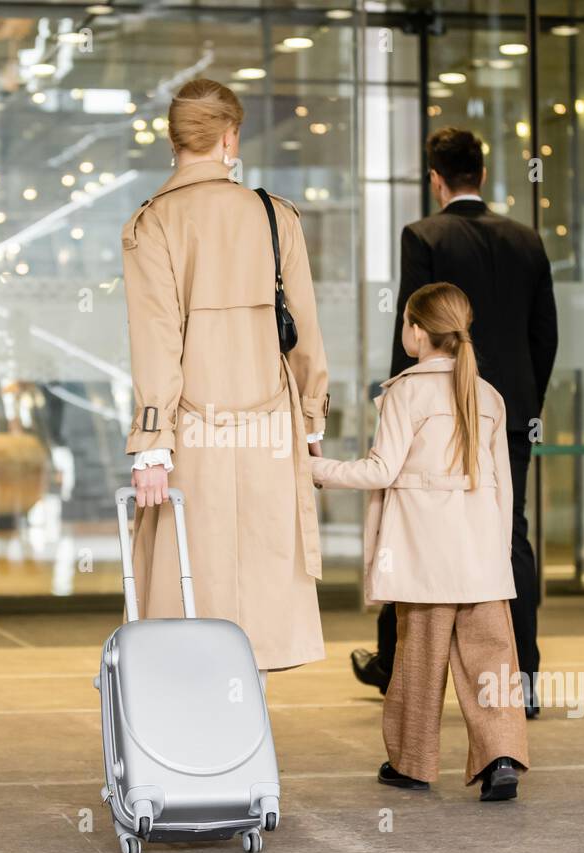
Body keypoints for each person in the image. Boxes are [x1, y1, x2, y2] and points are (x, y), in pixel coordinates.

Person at [122, 78, 330, 685]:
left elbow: (157, 339)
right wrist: (312, 418)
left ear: (173, 140)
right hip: (270, 428)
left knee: (191, 584)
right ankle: (243, 738)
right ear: (230, 138)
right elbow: (306, 332)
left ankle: (195, 745)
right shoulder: (275, 216)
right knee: (258, 593)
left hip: (191, 435)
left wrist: (151, 444)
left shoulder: (151, 223)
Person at [353, 127, 558, 718]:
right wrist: (520, 408)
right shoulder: (527, 239)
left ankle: (398, 668)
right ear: (484, 176)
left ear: (435, 179)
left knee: (409, 525)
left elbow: (414, 330)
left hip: (431, 409)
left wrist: (397, 405)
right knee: (507, 534)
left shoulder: (424, 235)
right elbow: (546, 335)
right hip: (506, 412)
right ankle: (523, 676)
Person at [313, 282, 528, 799]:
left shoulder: (406, 392)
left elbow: (379, 470)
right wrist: (498, 560)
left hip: (423, 554)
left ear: (416, 329)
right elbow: (503, 489)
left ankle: (412, 764)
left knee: (418, 663)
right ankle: (501, 759)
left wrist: (313, 469)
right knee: (493, 663)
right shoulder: (489, 395)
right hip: (481, 559)